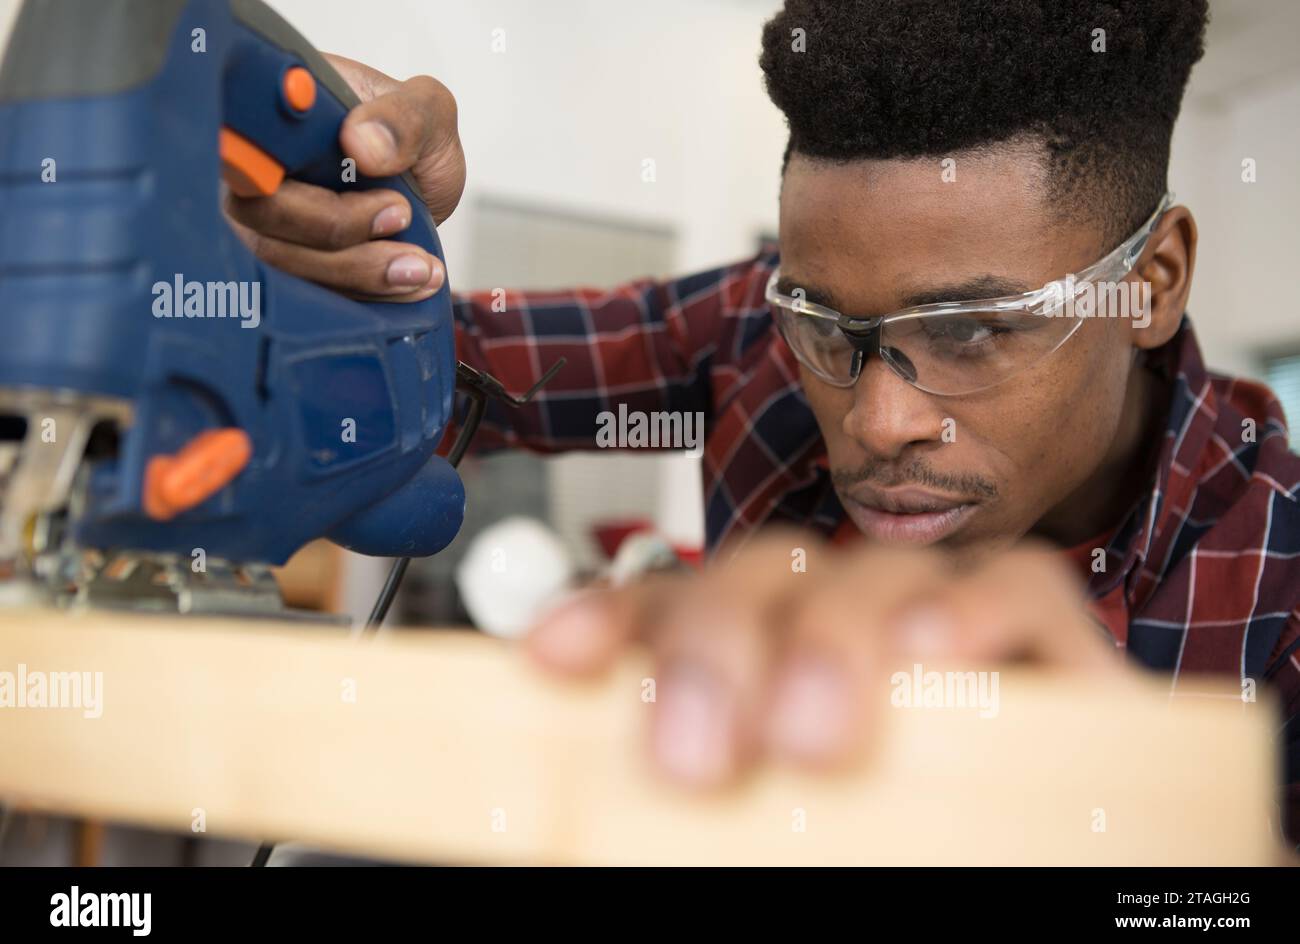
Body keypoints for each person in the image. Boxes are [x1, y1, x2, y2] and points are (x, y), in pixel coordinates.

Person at [225, 0, 1300, 847]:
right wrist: (287, 235)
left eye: (972, 332)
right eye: (827, 327)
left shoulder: (1278, 580)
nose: (877, 420)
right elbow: (427, 366)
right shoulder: (751, 324)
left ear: (1151, 282)